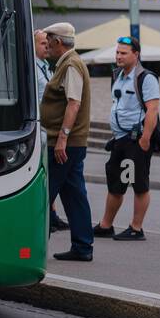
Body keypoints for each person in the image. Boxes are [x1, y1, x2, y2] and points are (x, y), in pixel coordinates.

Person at [96, 36, 160, 241]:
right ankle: (106, 226)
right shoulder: (118, 75)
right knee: (116, 181)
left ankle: (136, 228)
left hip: (136, 139)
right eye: (117, 52)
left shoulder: (146, 78)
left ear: (136, 54)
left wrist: (145, 139)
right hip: (120, 139)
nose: (118, 56)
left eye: (123, 53)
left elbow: (153, 110)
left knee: (139, 183)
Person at [41, 22, 94, 261]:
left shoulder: (71, 64)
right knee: (74, 194)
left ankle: (29, 247)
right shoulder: (70, 63)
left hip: (64, 143)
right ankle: (83, 246)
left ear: (57, 42)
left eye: (48, 40)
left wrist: (62, 137)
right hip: (73, 143)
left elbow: (74, 103)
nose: (46, 44)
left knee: (44, 195)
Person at [34, 29, 69, 232]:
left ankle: (52, 215)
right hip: (39, 125)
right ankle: (48, 216)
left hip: (50, 126)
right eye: (41, 44)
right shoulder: (32, 68)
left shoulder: (47, 67)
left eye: (47, 44)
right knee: (45, 172)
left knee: (50, 171)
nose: (46, 47)